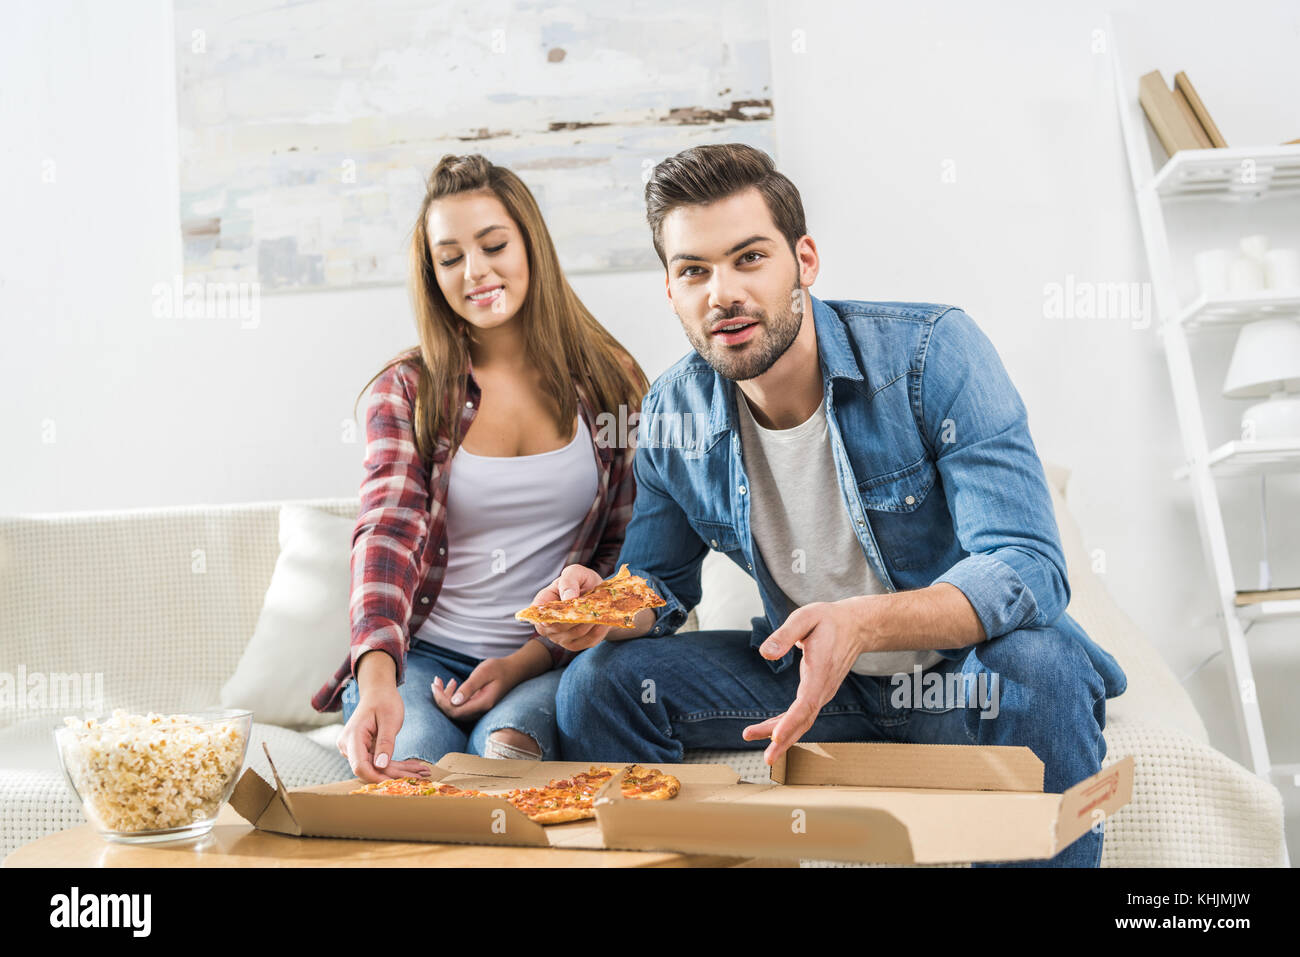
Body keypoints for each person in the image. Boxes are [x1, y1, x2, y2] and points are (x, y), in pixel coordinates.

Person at [528, 143, 1127, 867]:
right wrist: (599, 606)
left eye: (749, 258)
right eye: (694, 270)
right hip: (813, 686)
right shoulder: (670, 414)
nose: (722, 294)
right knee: (598, 686)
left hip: (955, 677)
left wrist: (860, 623)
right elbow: (657, 585)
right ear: (670, 291)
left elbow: (1028, 565)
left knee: (1043, 659)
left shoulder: (933, 353)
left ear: (803, 261)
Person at [311, 153, 647, 783]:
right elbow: (387, 534)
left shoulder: (610, 382)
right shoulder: (408, 390)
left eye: (494, 245)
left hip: (545, 663)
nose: (476, 271)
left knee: (506, 758)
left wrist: (526, 659)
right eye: (451, 257)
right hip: (422, 657)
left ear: (531, 246)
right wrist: (377, 679)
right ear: (432, 273)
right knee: (414, 768)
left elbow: (621, 552)